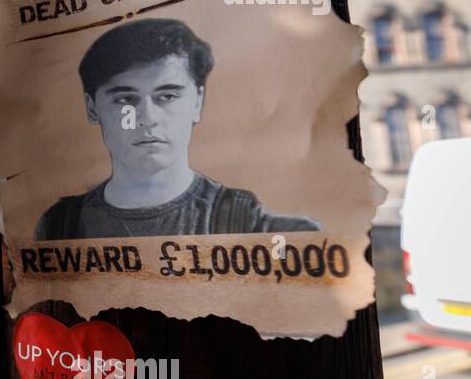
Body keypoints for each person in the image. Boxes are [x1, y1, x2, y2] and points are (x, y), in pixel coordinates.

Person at [33, 17, 320, 240]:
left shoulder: (254, 229)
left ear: (198, 102)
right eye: (124, 99)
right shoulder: (59, 226)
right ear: (92, 108)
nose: (147, 117)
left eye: (167, 96)